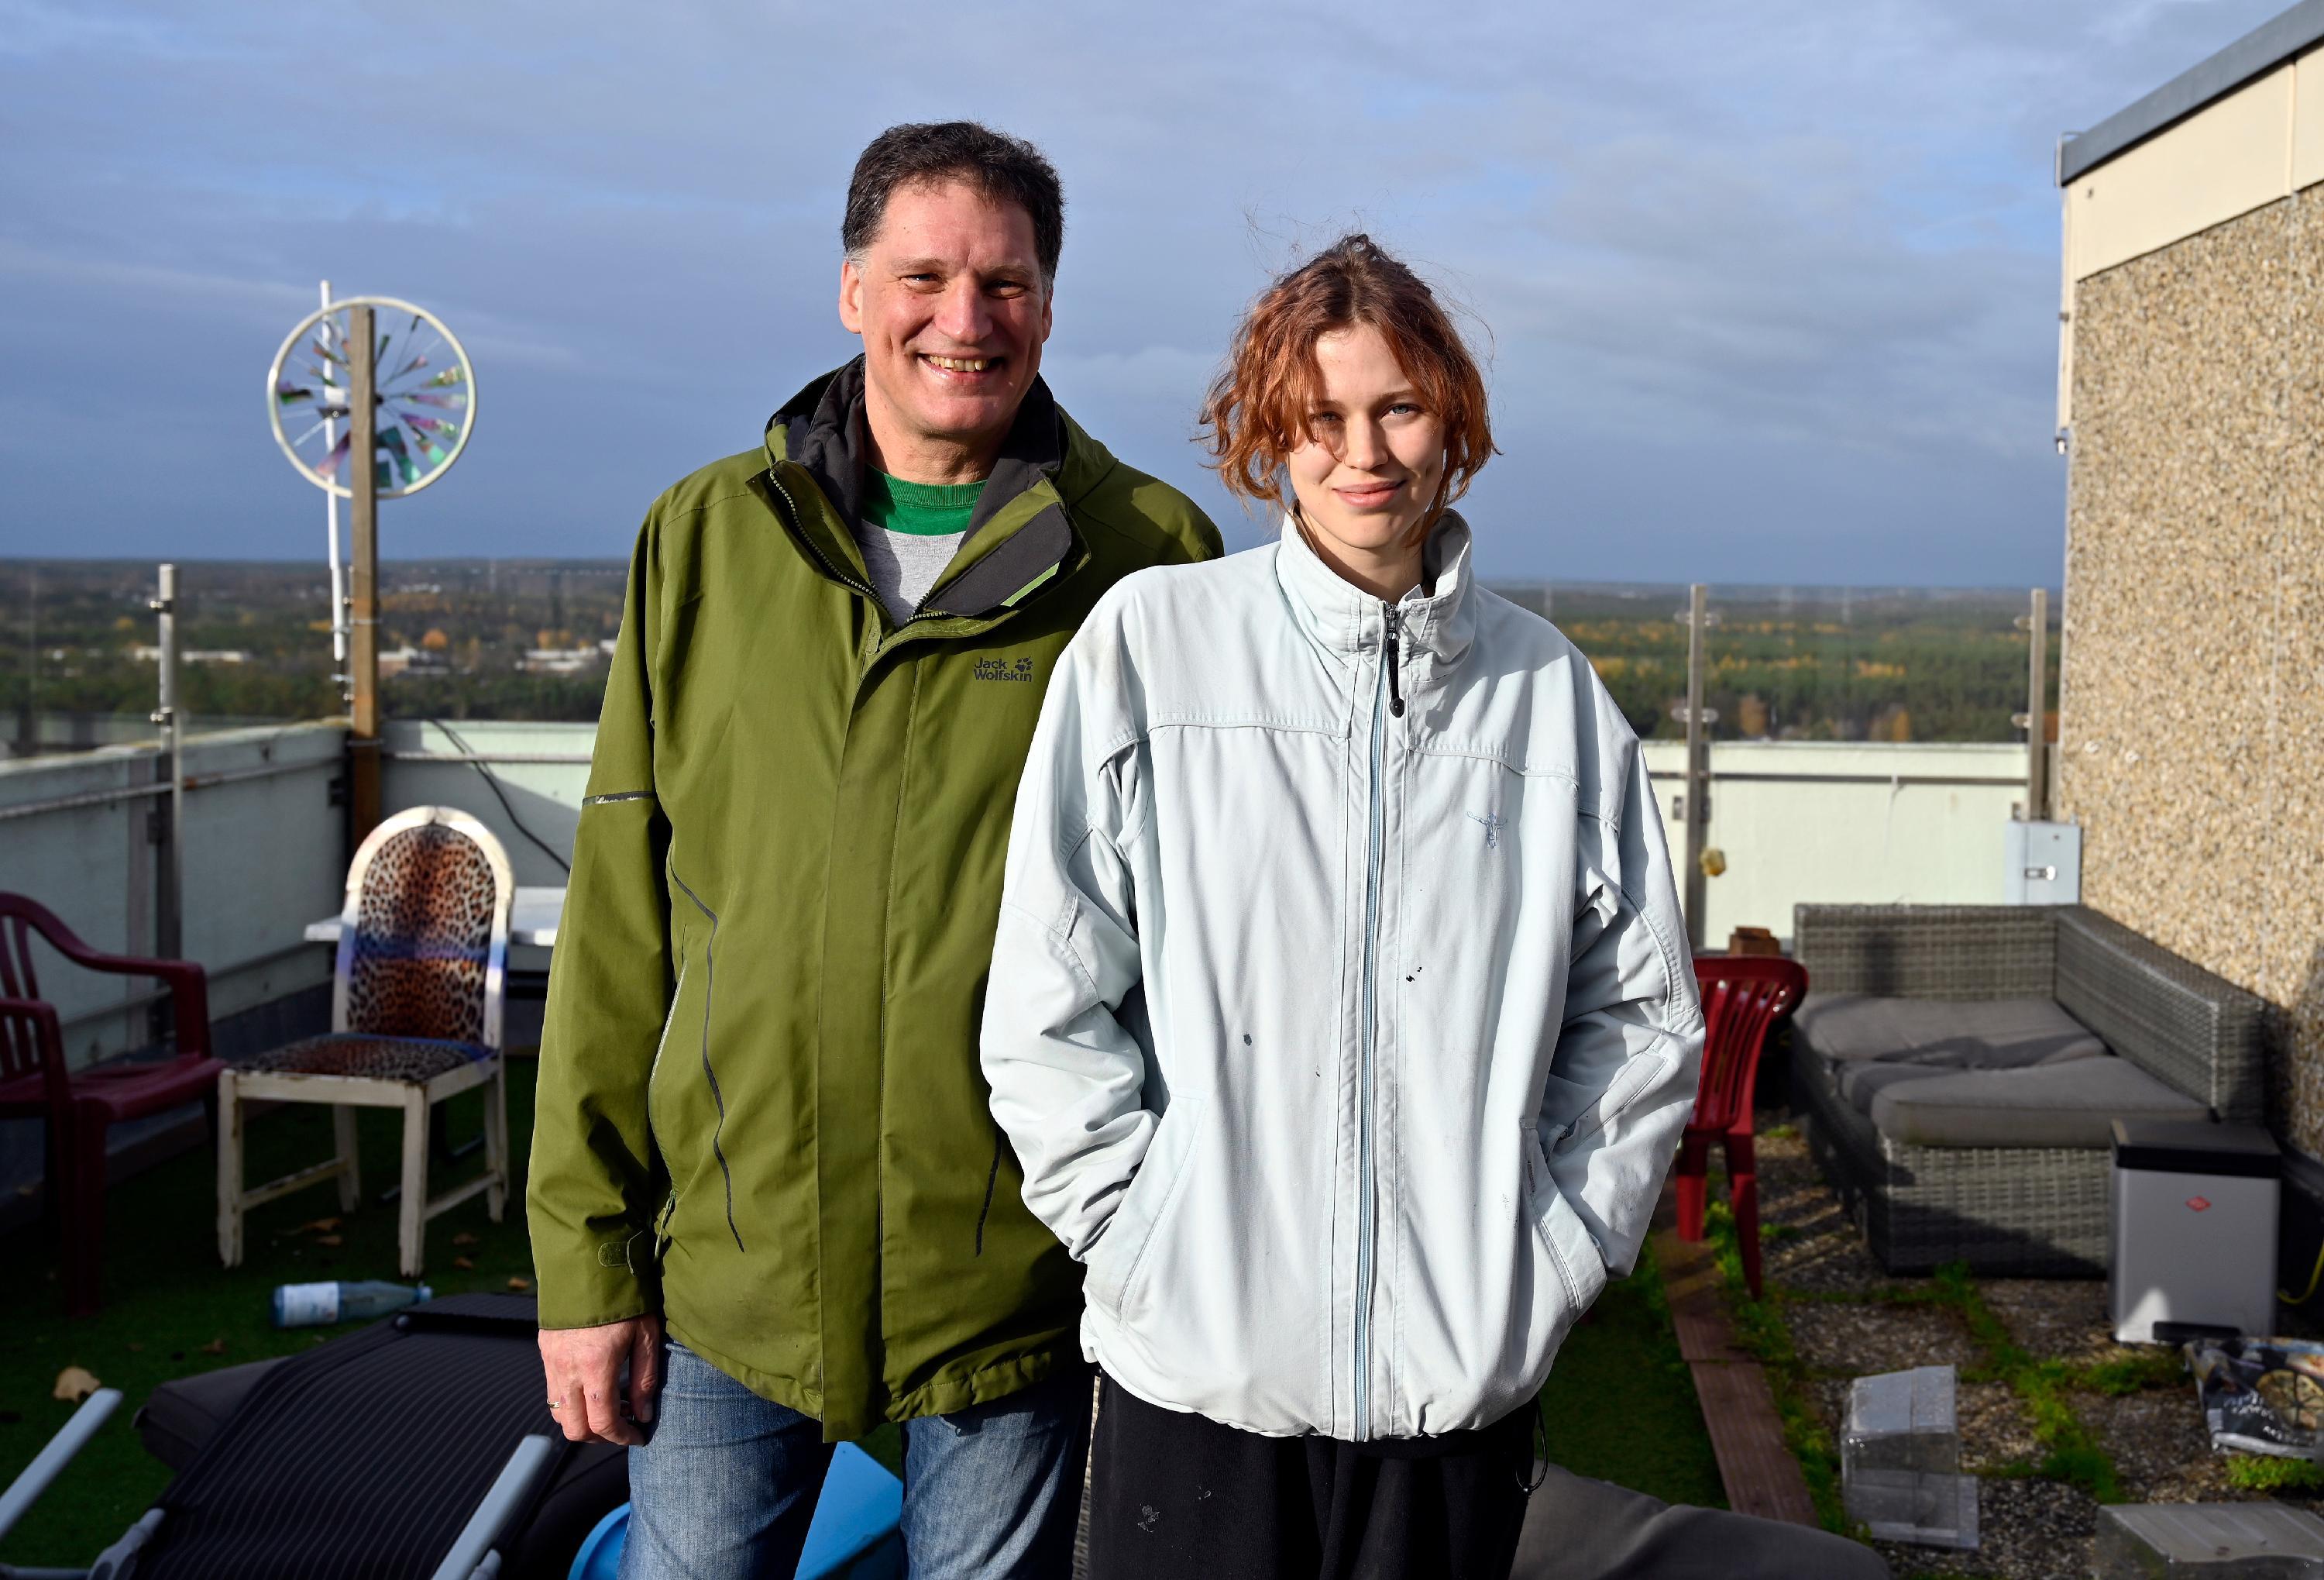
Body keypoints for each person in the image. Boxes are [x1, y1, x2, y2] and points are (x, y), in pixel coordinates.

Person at [527, 121, 1222, 1579]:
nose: (964, 320)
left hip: (1012, 1280)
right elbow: (617, 928)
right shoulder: (709, 539)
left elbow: (1208, 950)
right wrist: (586, 1263)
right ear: (853, 292)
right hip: (731, 1270)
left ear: (1049, 302)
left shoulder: (1148, 559)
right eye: (924, 275)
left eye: (1006, 283)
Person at [979, 233, 1704, 1578]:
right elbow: (1046, 993)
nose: (1361, 451)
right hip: (1199, 1382)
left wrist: (1556, 1247)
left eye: (1398, 407)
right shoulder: (1154, 648)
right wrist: (1138, 1239)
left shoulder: (1551, 701)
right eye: (1319, 417)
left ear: (1455, 424)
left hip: (1453, 1397)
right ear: (1271, 434)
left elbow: (1644, 1020)